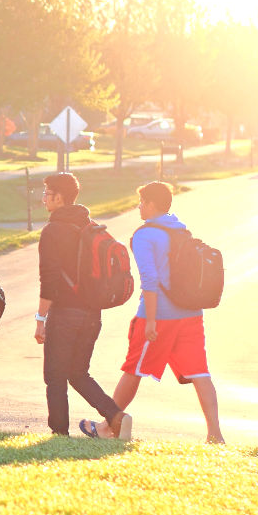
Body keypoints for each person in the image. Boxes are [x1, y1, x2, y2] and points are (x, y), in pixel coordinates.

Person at [88, 181, 224, 443]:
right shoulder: (180, 229)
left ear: (151, 204)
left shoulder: (145, 235)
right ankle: (215, 434)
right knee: (200, 372)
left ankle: (107, 426)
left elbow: (149, 279)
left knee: (134, 369)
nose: (138, 207)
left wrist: (150, 320)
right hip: (191, 313)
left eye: (141, 202)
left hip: (159, 315)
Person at [35, 173, 132, 439]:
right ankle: (116, 416)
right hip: (92, 314)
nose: (43, 198)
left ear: (59, 197)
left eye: (46, 193)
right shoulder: (88, 226)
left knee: (55, 376)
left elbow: (49, 281)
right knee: (77, 373)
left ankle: (59, 434)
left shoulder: (52, 231)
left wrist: (40, 318)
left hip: (65, 314)